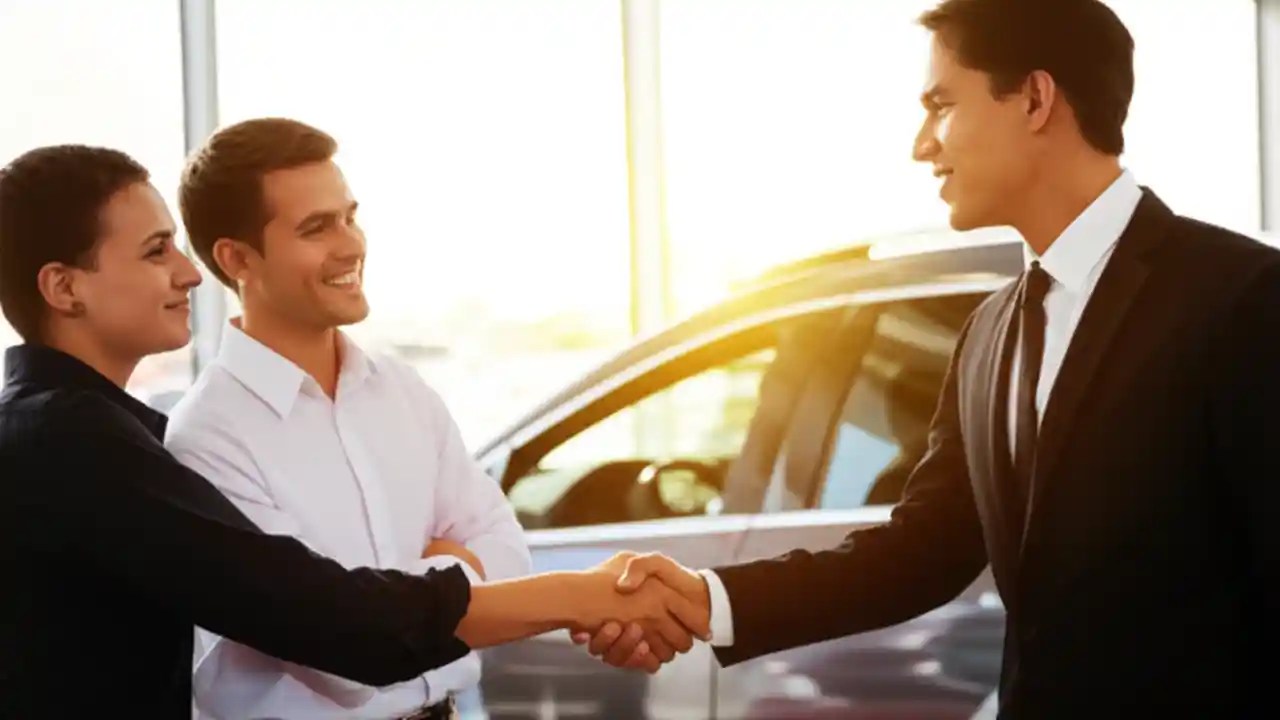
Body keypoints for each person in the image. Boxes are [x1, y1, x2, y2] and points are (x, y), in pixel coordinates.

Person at [580, 0, 1280, 716]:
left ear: (1035, 99)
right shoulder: (990, 333)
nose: (923, 146)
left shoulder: (1244, 299)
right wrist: (705, 599)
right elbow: (926, 551)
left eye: (942, 106)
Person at [0, 144, 706, 717]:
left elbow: (377, 595)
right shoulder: (74, 443)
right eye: (157, 251)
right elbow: (330, 623)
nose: (189, 273)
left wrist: (422, 585)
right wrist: (577, 594)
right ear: (64, 288)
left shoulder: (94, 433)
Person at [164, 117, 531, 720]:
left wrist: (388, 592)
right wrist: (455, 566)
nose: (351, 245)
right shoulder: (206, 437)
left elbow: (510, 554)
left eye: (349, 217)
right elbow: (343, 656)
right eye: (316, 228)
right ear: (237, 258)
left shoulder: (401, 390)